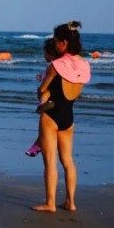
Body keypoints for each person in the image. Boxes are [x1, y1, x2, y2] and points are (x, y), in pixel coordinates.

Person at [32, 21, 91, 213]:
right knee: (68, 160)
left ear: (64, 43)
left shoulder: (56, 65)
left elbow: (42, 92)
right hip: (69, 117)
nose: (55, 44)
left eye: (57, 41)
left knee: (50, 161)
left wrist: (42, 88)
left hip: (51, 116)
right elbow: (76, 91)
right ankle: (70, 202)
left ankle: (50, 203)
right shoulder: (84, 64)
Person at [25, 38, 62, 157]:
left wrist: (41, 88)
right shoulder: (62, 66)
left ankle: (42, 103)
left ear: (51, 53)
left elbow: (45, 86)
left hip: (51, 101)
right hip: (63, 104)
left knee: (45, 130)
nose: (43, 54)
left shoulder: (53, 66)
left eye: (45, 52)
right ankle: (36, 146)